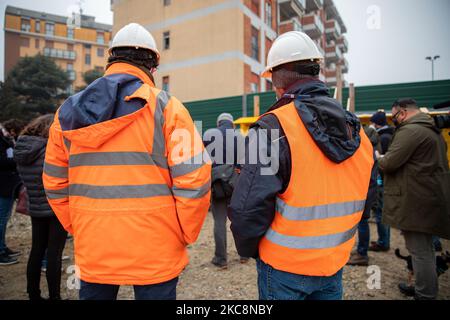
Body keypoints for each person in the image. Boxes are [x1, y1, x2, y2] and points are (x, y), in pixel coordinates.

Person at [43, 23, 211, 300]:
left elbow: (54, 182)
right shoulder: (168, 109)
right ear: (152, 67)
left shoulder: (66, 113)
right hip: (157, 248)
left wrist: (81, 226)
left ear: (110, 60)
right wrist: (184, 233)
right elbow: (194, 180)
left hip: (94, 246)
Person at [228, 31, 377, 300]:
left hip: (284, 267)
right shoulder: (357, 131)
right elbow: (367, 201)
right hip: (333, 263)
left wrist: (250, 249)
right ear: (317, 72)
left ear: (276, 80)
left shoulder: (273, 127)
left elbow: (248, 208)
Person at [378, 98, 450, 300]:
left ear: (402, 112)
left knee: (420, 251)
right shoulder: (431, 130)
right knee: (425, 249)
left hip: (416, 200)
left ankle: (425, 294)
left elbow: (389, 163)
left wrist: (379, 159)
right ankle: (423, 286)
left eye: (395, 116)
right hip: (428, 196)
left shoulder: (410, 131)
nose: (394, 120)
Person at [14, 114, 68, 300]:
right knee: (54, 253)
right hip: (55, 207)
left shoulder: (22, 148)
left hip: (35, 206)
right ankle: (55, 296)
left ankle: (33, 294)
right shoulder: (48, 149)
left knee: (36, 249)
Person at [204, 113, 248, 269]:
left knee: (219, 222)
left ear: (218, 124)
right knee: (239, 220)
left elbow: (203, 161)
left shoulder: (209, 135)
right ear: (232, 124)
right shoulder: (239, 137)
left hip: (217, 186)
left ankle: (221, 258)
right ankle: (244, 255)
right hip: (235, 185)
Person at [369, 111, 394, 252]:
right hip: (386, 179)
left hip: (381, 179)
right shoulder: (391, 134)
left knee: (380, 212)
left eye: (373, 122)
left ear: (377, 123)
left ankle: (383, 242)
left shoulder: (383, 138)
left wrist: (378, 157)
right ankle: (384, 240)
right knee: (383, 211)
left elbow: (385, 160)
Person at [0, 121, 23, 266]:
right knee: (1, 219)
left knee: (4, 218)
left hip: (8, 185)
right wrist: (16, 159)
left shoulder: (4, 136)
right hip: (3, 185)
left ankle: (2, 247)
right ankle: (0, 251)